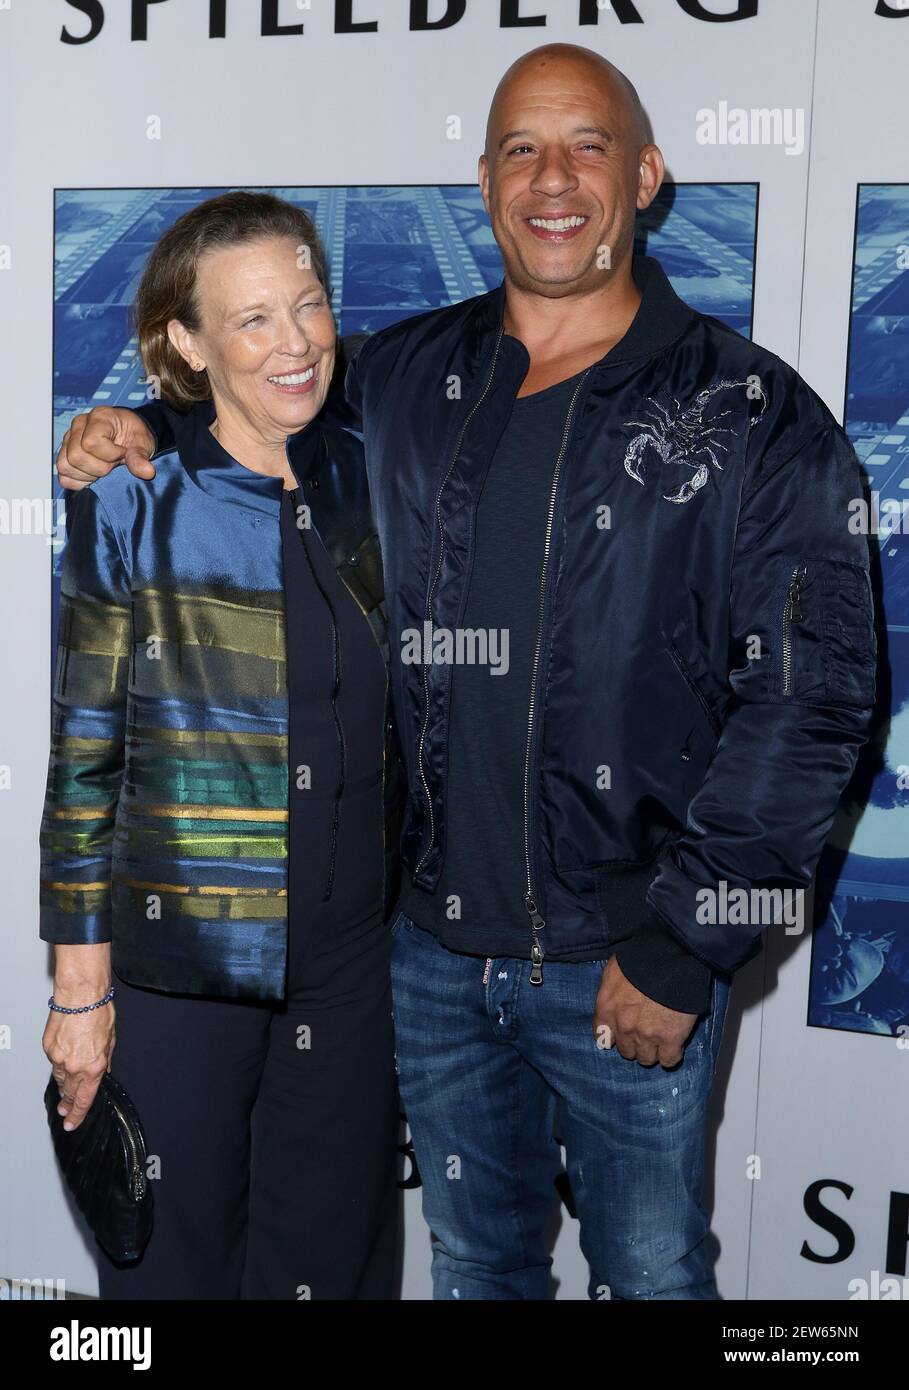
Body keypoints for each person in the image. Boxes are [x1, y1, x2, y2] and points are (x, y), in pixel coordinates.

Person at [57, 46, 877, 1301]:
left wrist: (687, 946)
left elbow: (812, 703)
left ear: (646, 174)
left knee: (653, 1275)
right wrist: (139, 428)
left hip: (624, 963)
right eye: (518, 151)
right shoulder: (406, 379)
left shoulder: (759, 415)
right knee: (479, 1271)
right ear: (486, 181)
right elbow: (263, 414)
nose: (552, 180)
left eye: (587, 146)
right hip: (426, 965)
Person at [42, 190, 403, 1300]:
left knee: (328, 1268)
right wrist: (79, 991)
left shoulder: (376, 466)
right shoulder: (136, 494)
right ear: (186, 345)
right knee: (171, 1274)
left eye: (308, 305)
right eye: (252, 320)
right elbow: (86, 753)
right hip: (181, 965)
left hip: (349, 967)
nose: (295, 342)